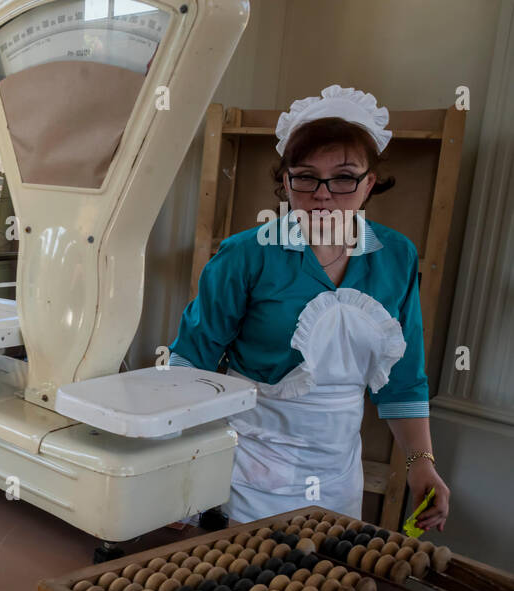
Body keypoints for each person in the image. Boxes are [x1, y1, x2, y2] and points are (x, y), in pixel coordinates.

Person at [168, 85, 448, 530]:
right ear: (285, 183)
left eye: (343, 176)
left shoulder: (396, 256)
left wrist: (421, 463)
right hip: (247, 462)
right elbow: (190, 363)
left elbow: (404, 379)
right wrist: (178, 473)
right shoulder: (245, 255)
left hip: (337, 471)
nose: (323, 193)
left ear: (369, 182)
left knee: (322, 581)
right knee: (242, 585)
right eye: (305, 176)